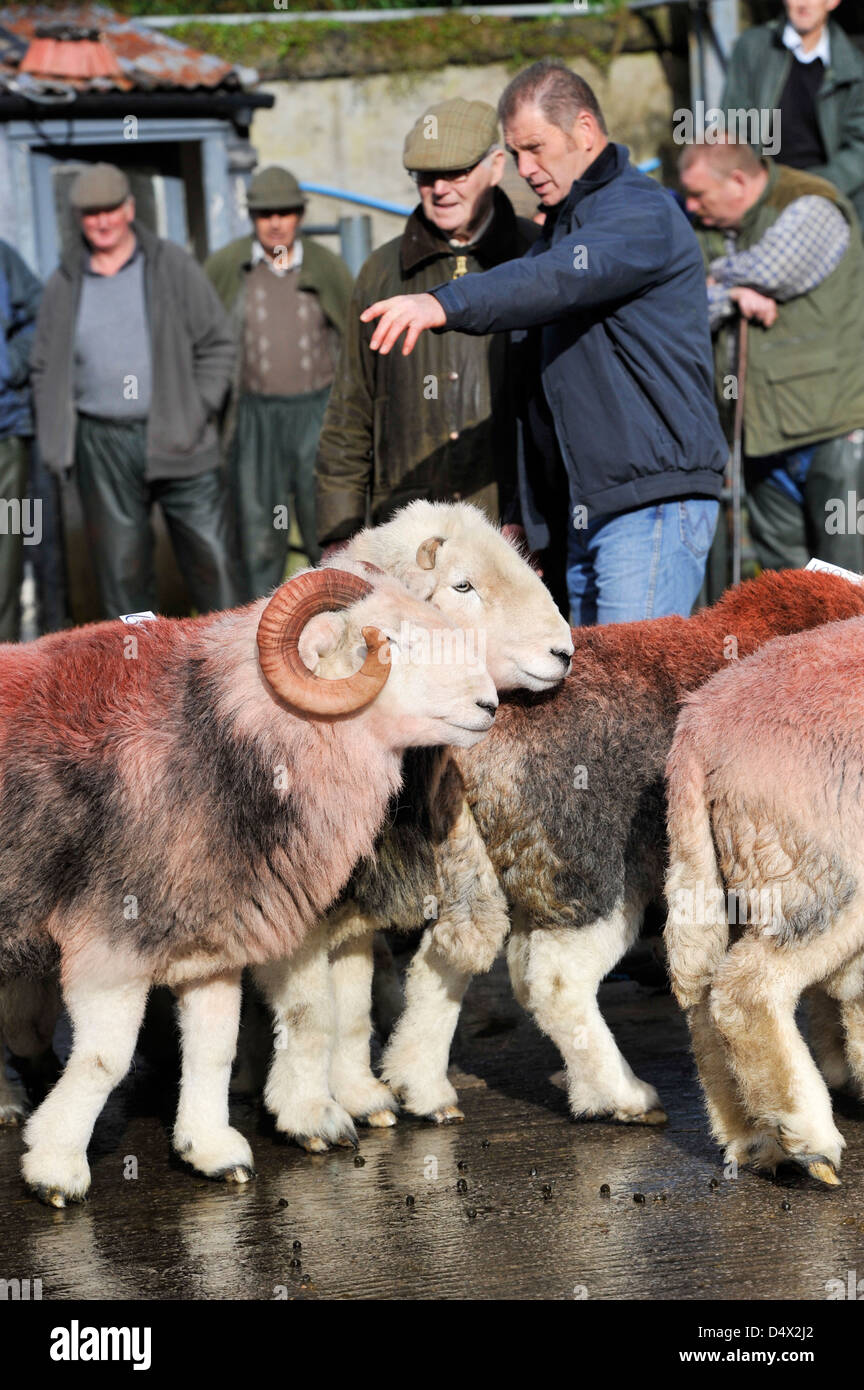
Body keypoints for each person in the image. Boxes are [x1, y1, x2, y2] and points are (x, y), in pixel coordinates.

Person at [360, 62, 727, 624]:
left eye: (535, 147)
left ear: (584, 130)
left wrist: (441, 303)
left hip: (649, 504)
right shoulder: (563, 229)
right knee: (587, 694)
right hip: (591, 510)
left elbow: (554, 280)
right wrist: (523, 519)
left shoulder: (639, 212)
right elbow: (537, 397)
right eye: (515, 152)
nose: (525, 169)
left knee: (631, 697)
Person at [315, 97, 538, 554]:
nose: (440, 189)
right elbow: (350, 412)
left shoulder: (536, 258)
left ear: (496, 167)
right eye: (425, 177)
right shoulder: (382, 272)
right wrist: (341, 531)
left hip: (508, 530)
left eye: (456, 173)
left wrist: (540, 520)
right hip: (408, 533)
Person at [31, 162, 239, 621]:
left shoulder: (171, 264)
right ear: (79, 218)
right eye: (90, 213)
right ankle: (137, 679)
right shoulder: (64, 283)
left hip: (178, 431)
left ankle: (231, 672)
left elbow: (218, 343)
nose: (102, 221)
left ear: (129, 209)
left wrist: (196, 409)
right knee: (122, 574)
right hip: (101, 441)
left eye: (110, 209)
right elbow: (43, 366)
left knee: (214, 562)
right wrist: (56, 443)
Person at [680, 139, 864, 573]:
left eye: (699, 194)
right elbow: (678, 307)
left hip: (832, 430)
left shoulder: (810, 202)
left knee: (849, 584)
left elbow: (772, 270)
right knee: (790, 592)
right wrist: (731, 296)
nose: (689, 206)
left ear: (738, 181)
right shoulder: (707, 226)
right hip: (759, 437)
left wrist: (712, 280)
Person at [206, 166, 353, 595]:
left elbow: (355, 340)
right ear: (251, 217)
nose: (275, 223)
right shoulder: (228, 267)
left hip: (318, 415)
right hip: (254, 419)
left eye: (285, 212)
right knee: (257, 537)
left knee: (327, 529)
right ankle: (256, 642)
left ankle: (338, 632)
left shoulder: (326, 267)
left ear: (300, 216)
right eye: (264, 213)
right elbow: (201, 339)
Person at [722, 0, 864, 227]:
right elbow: (732, 124)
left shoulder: (854, 67)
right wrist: (755, 184)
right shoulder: (752, 47)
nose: (804, 3)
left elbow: (859, 148)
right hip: (762, 189)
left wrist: (812, 188)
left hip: (826, 194)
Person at [0, 239, 41, 641]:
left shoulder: (4, 257)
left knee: (4, 562)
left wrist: (7, 363)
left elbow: (39, 315)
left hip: (6, 441)